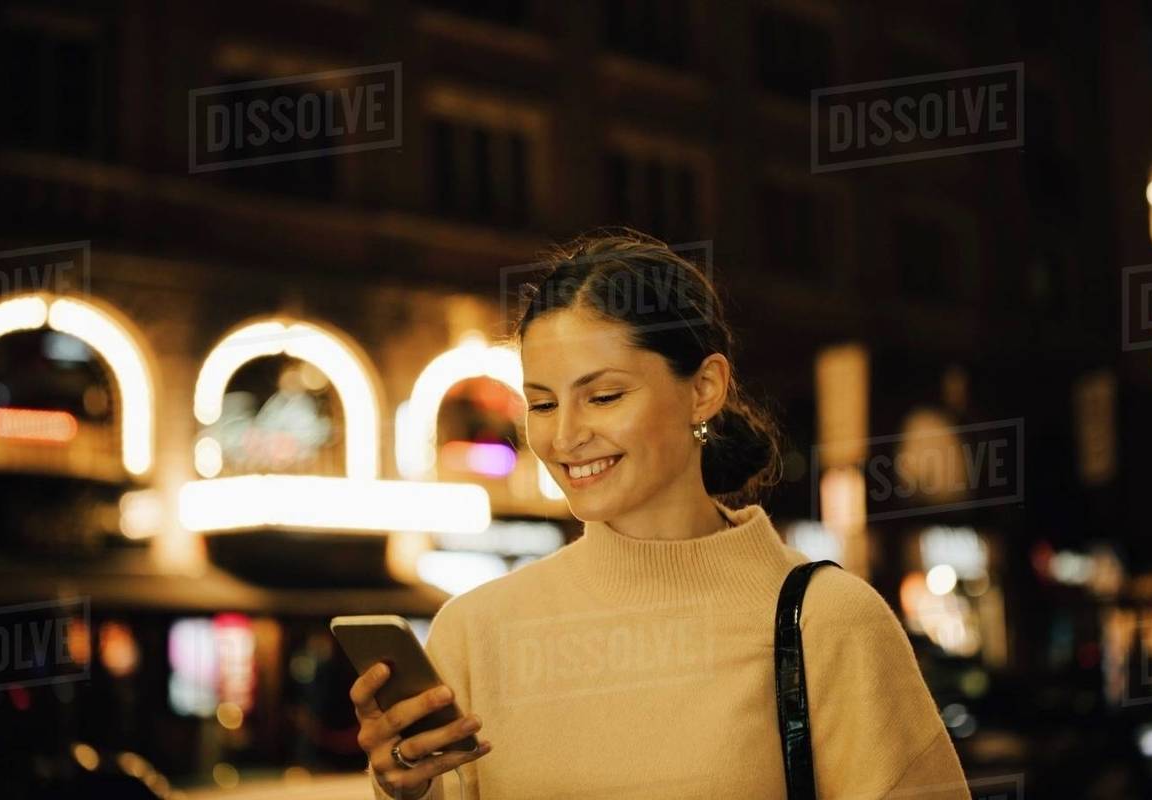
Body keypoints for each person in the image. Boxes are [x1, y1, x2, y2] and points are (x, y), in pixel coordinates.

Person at [352, 229, 970, 799]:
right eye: (541, 404)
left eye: (604, 396)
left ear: (704, 388)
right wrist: (406, 788)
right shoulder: (473, 631)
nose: (564, 437)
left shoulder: (831, 623)